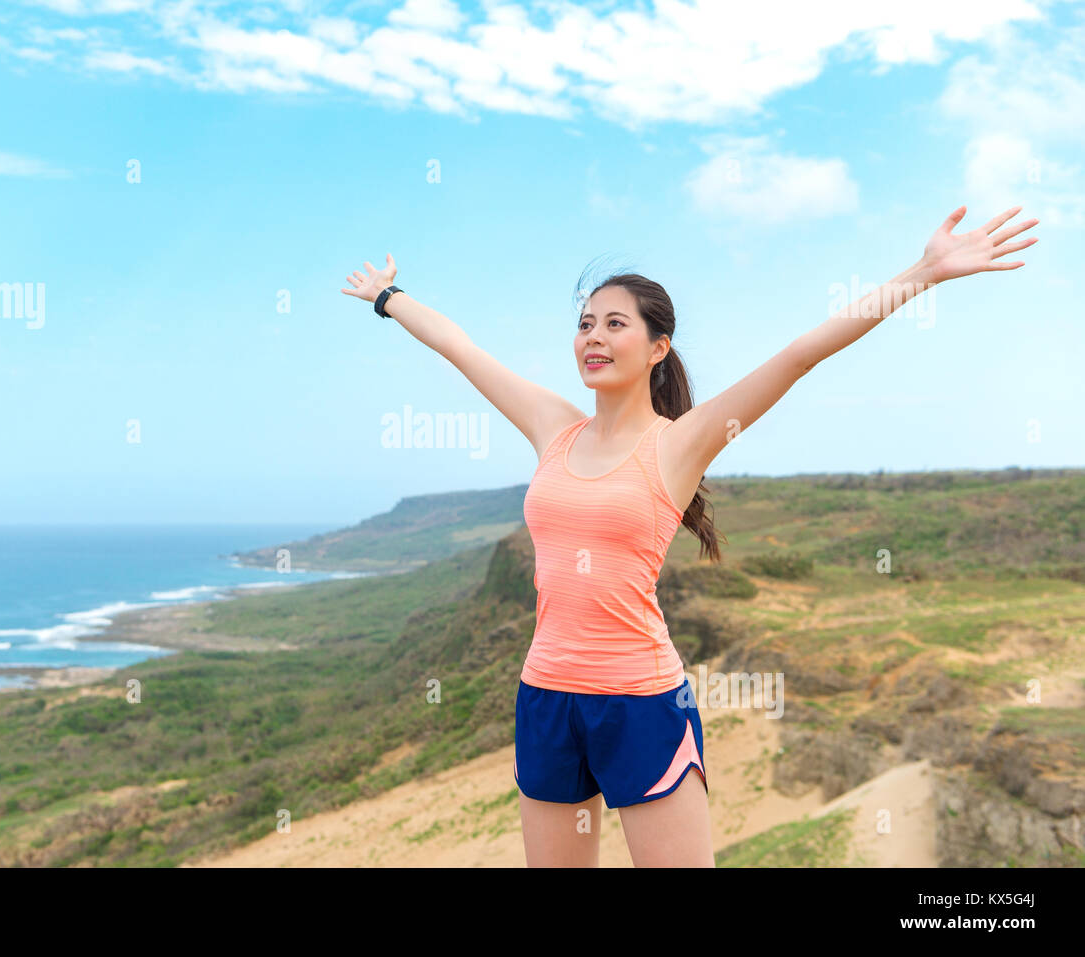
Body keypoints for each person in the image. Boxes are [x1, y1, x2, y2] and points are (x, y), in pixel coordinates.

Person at [340, 205, 1038, 867]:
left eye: (615, 323)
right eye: (585, 324)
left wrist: (925, 272)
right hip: (546, 697)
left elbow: (800, 355)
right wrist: (388, 296)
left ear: (657, 346)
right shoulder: (553, 427)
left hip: (642, 702)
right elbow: (462, 349)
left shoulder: (679, 447)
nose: (594, 336)